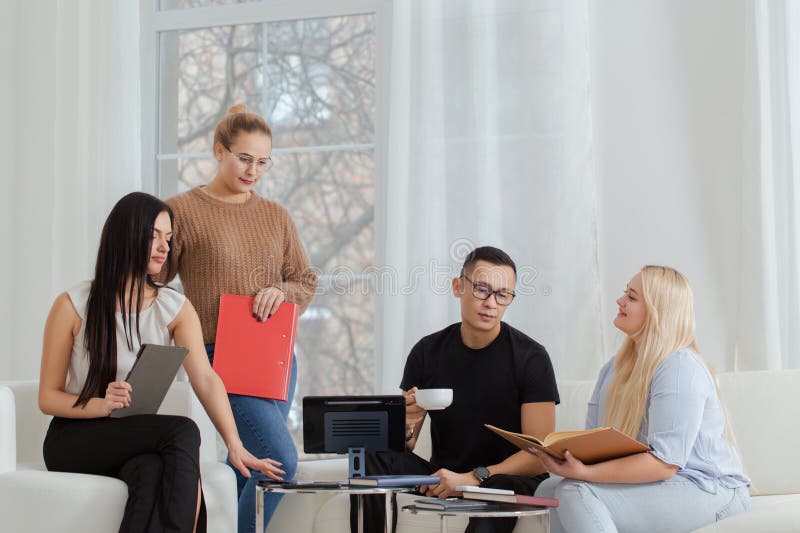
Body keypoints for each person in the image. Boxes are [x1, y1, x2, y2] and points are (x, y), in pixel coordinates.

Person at [40, 192, 285, 533]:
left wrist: (235, 444)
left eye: (168, 238)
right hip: (73, 438)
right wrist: (100, 405)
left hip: (131, 436)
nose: (164, 247)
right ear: (125, 235)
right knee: (182, 430)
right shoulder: (72, 305)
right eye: (154, 235)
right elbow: (47, 398)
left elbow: (205, 377)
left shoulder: (174, 307)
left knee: (151, 471)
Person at [161, 105, 318, 533]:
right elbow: (154, 277)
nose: (253, 170)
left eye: (263, 162)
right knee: (281, 463)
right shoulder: (182, 211)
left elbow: (304, 279)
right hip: (219, 357)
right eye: (244, 158)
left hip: (276, 358)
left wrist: (280, 291)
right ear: (219, 151)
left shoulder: (275, 216)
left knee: (246, 468)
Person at [533, 265, 751, 533]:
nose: (620, 301)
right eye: (626, 293)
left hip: (710, 489)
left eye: (632, 297)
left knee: (575, 490)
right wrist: (567, 458)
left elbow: (664, 463)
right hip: (663, 483)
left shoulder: (679, 367)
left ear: (658, 313)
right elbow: (593, 441)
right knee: (548, 488)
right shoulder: (614, 368)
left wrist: (585, 474)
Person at [359, 246, 559, 533]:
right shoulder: (427, 351)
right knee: (373, 452)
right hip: (444, 476)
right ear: (458, 287)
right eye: (481, 289)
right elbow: (407, 444)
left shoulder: (531, 357)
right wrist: (402, 424)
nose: (491, 303)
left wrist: (476, 476)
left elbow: (539, 453)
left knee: (498, 489)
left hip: (501, 477)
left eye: (503, 295)